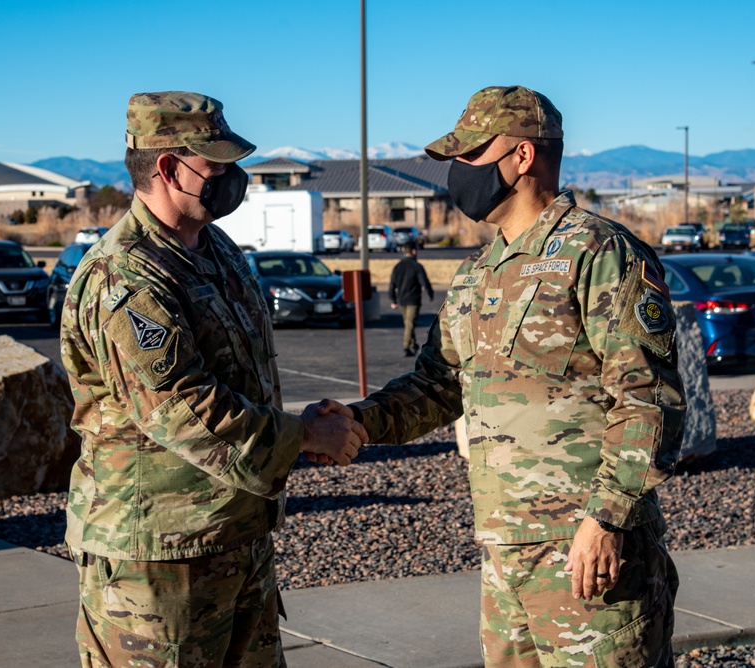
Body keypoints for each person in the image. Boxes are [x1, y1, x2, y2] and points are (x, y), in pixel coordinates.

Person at [336, 86, 687, 667]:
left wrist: (607, 517)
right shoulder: (478, 272)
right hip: (504, 552)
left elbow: (648, 399)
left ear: (522, 157)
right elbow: (437, 384)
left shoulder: (599, 252)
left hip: (589, 554)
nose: (458, 172)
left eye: (471, 156)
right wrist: (354, 423)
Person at [61, 91, 366, 668]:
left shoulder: (215, 250)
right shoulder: (125, 276)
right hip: (158, 559)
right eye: (216, 165)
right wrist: (301, 436)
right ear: (169, 168)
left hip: (233, 535)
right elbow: (182, 408)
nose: (232, 177)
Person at [389, 240, 434, 356]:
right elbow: (424, 282)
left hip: (402, 299)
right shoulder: (417, 266)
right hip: (413, 300)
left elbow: (392, 284)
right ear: (414, 251)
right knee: (409, 324)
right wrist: (430, 293)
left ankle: (413, 345)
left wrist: (393, 299)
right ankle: (406, 347)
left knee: (408, 323)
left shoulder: (397, 267)